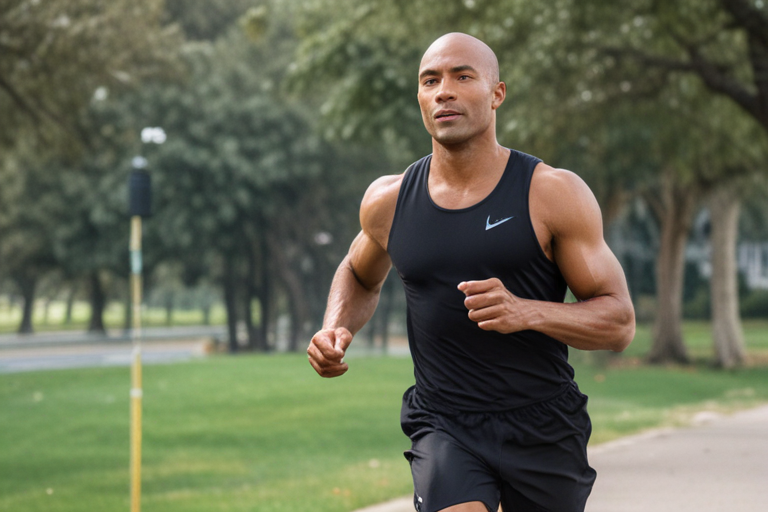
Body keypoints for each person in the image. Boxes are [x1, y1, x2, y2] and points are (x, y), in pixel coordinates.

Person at [307, 32, 635, 512]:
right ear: (420, 97)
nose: (444, 91)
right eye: (430, 80)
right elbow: (358, 274)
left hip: (542, 425)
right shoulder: (389, 200)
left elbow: (619, 323)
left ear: (497, 93)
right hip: (444, 422)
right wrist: (335, 327)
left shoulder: (551, 194)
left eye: (463, 77)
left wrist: (527, 312)